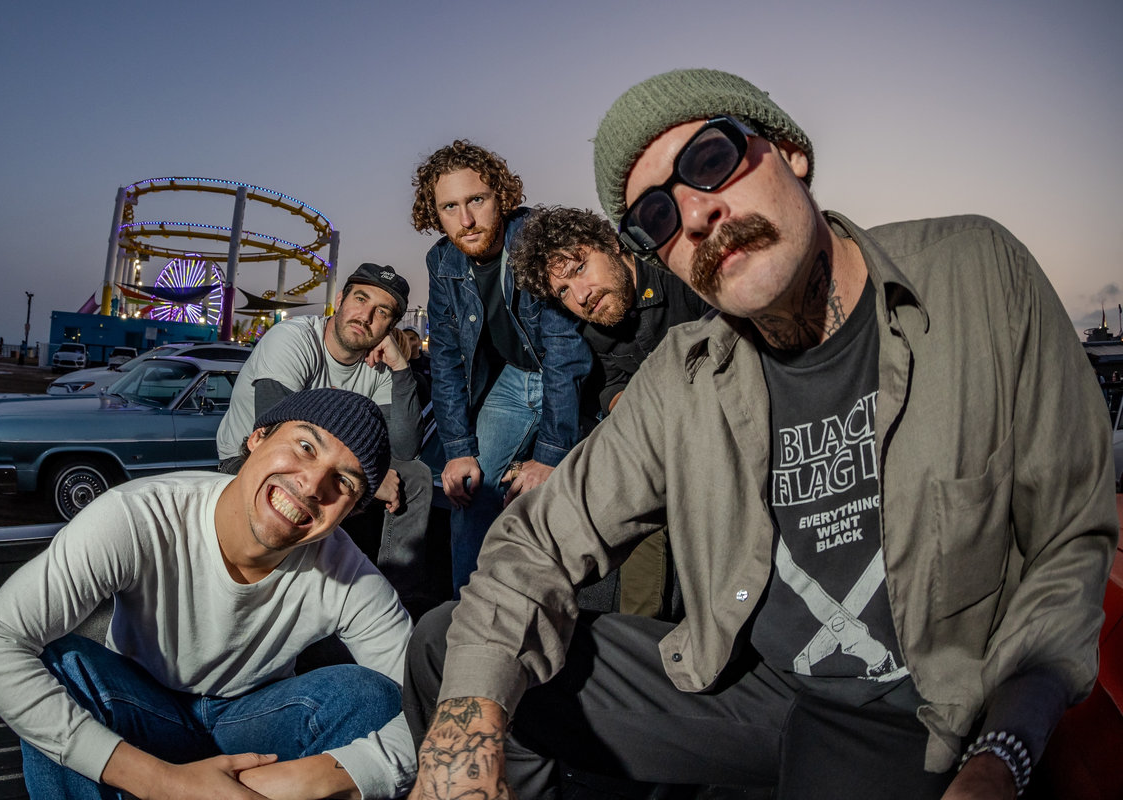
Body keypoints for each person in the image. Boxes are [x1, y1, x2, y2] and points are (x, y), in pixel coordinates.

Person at [404, 69, 1118, 800]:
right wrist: (467, 737)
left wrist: (1001, 755)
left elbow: (1068, 540)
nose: (695, 213)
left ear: (790, 151)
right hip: (759, 690)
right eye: (657, 215)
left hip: (929, 713)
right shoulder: (682, 376)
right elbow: (535, 544)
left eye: (711, 161)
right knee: (448, 648)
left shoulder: (975, 273)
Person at [0, 388, 416, 799]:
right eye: (305, 446)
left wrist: (308, 780)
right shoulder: (139, 516)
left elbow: (430, 710)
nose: (313, 486)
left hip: (253, 725)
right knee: (63, 666)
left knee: (371, 696)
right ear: (257, 438)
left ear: (349, 512)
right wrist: (163, 784)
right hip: (139, 706)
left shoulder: (351, 577)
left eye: (343, 482)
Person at [510, 205, 711, 618]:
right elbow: (612, 387)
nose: (580, 296)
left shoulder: (679, 274)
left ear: (613, 246)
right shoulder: (590, 326)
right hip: (660, 442)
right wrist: (631, 410)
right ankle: (638, 631)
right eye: (563, 292)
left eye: (581, 268)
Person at [411, 140, 592, 593]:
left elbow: (565, 351)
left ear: (501, 196)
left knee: (570, 503)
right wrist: (458, 449)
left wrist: (549, 456)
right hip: (513, 380)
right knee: (470, 491)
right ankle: (465, 612)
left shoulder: (535, 238)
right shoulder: (442, 261)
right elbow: (446, 358)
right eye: (449, 207)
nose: (466, 220)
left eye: (476, 200)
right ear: (435, 213)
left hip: (572, 377)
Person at [217, 263, 435, 613]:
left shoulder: (379, 367)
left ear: (390, 327)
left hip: (333, 464)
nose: (366, 316)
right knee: (304, 478)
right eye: (360, 299)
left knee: (416, 477)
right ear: (340, 299)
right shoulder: (294, 339)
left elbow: (405, 449)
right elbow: (274, 436)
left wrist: (400, 368)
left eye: (382, 312)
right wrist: (369, 479)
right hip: (249, 461)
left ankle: (396, 601)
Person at [401, 326, 431, 406]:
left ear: (419, 342)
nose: (407, 342)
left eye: (411, 339)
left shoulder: (430, 364)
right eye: (404, 339)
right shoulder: (397, 364)